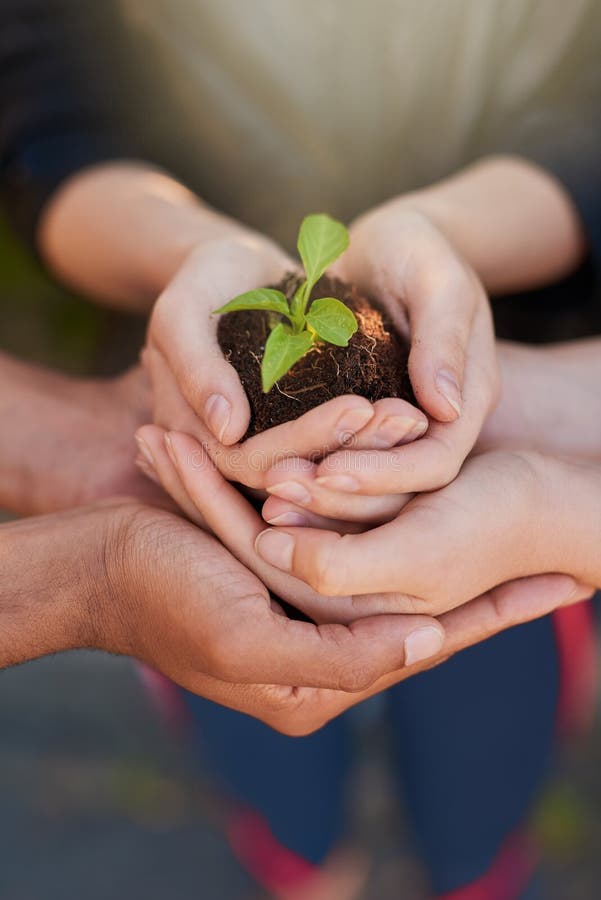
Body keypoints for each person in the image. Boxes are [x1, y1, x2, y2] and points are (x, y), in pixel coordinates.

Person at [1, 0, 600, 896]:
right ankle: (310, 870)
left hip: (493, 405)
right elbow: (50, 112)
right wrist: (186, 253)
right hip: (207, 453)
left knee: (478, 779)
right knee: (271, 762)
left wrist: (451, 242)